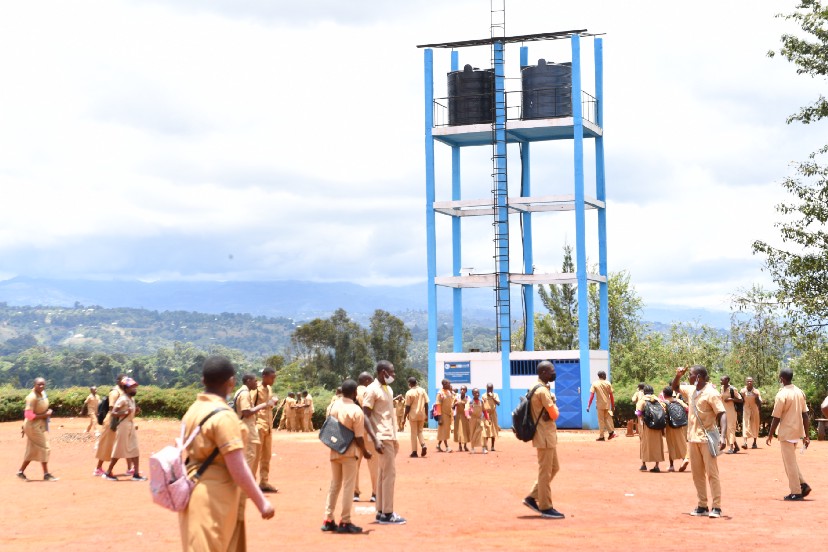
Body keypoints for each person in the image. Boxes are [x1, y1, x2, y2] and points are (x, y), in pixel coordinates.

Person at [179, 355, 274, 550]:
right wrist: (261, 502)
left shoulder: (193, 409)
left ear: (203, 381)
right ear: (231, 382)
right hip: (215, 497)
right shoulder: (224, 417)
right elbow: (237, 466)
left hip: (192, 488)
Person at [671, 365, 726, 518]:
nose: (688, 377)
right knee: (697, 474)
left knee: (712, 474)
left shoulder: (711, 393)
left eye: (690, 375)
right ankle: (702, 505)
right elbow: (674, 387)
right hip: (693, 438)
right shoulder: (691, 390)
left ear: (698, 377)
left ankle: (717, 507)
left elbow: (722, 413)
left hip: (706, 438)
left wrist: (723, 436)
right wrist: (678, 375)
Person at [321, 379, 373, 534]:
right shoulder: (356, 410)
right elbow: (358, 437)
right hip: (350, 452)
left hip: (334, 450)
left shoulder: (332, 406)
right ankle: (345, 521)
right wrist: (365, 451)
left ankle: (328, 519)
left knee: (334, 484)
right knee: (348, 486)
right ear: (355, 392)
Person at [362, 360, 406, 525]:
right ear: (383, 373)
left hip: (390, 436)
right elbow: (365, 415)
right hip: (382, 437)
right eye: (391, 372)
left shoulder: (387, 388)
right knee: (389, 475)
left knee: (382, 474)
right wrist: (374, 439)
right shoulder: (372, 390)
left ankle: (381, 511)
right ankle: (388, 513)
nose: (393, 375)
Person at [521, 361, 564, 519]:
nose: (554, 373)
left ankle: (532, 497)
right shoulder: (542, 392)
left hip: (545, 435)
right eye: (551, 371)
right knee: (545, 472)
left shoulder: (535, 387)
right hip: (544, 435)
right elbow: (554, 414)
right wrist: (554, 407)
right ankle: (546, 507)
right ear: (544, 373)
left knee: (554, 467)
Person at [766, 368, 812, 500]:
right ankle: (803, 485)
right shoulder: (799, 392)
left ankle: (796, 492)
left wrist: (770, 434)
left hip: (786, 432)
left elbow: (776, 417)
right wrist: (807, 435)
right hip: (797, 432)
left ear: (782, 379)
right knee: (791, 461)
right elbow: (805, 415)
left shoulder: (782, 394)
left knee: (789, 464)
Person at [103, 377, 146, 481]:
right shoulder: (122, 399)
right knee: (119, 449)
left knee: (135, 449)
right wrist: (125, 413)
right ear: (126, 389)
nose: (135, 389)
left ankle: (136, 474)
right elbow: (113, 413)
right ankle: (108, 472)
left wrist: (136, 411)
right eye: (132, 388)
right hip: (123, 427)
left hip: (130, 425)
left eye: (134, 387)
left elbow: (131, 412)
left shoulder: (132, 399)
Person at [17, 377, 57, 482]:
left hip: (38, 425)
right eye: (39, 384)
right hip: (32, 427)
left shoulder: (43, 394)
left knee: (32, 450)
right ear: (34, 385)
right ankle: (46, 474)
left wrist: (47, 412)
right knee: (45, 448)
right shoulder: (31, 397)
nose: (41, 386)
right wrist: (45, 415)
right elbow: (28, 415)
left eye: (43, 384)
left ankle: (20, 472)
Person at [234, 374, 269, 475]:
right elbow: (246, 412)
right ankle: (243, 487)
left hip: (245, 428)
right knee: (250, 456)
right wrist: (263, 405)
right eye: (255, 380)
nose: (257, 383)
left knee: (249, 456)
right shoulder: (245, 394)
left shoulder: (241, 391)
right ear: (248, 381)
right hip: (247, 429)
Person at [94, 374, 126, 477]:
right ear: (118, 381)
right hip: (111, 421)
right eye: (123, 380)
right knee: (106, 445)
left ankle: (131, 468)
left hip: (119, 421)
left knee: (120, 445)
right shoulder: (114, 392)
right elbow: (112, 409)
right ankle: (98, 468)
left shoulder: (123, 392)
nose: (125, 382)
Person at [354, 372, 378, 503]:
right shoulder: (370, 391)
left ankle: (355, 492)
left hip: (355, 433)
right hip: (369, 432)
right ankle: (375, 493)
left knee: (354, 464)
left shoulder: (352, 391)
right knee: (373, 463)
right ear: (368, 380)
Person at [254, 367, 278, 493]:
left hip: (268, 426)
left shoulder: (269, 389)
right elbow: (249, 407)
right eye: (271, 377)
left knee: (266, 456)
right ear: (264, 376)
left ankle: (264, 482)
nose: (273, 380)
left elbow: (269, 406)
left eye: (274, 377)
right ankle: (250, 484)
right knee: (255, 456)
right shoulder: (255, 389)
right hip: (258, 425)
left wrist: (273, 403)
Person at [635, 384, 665, 472]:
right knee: (658, 445)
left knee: (645, 444)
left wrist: (643, 421)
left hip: (647, 426)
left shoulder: (642, 400)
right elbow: (664, 410)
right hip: (658, 426)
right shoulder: (658, 400)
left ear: (644, 392)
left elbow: (638, 413)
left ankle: (644, 464)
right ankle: (657, 466)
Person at [662, 387, 688, 472]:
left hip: (670, 426)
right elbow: (687, 408)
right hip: (680, 425)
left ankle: (671, 466)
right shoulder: (678, 401)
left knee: (671, 445)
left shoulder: (664, 403)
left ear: (665, 394)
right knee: (681, 442)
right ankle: (684, 459)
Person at [586, 370, 616, 441]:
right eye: (605, 375)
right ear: (602, 375)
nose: (606, 376)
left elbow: (592, 396)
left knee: (601, 420)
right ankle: (611, 432)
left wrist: (588, 405)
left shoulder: (595, 383)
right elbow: (611, 395)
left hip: (600, 405)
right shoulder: (608, 383)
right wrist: (613, 405)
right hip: (607, 404)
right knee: (605, 419)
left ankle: (602, 436)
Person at [403, 377, 428, 458]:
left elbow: (407, 406)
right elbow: (426, 403)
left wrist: (404, 417)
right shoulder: (422, 390)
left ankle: (414, 452)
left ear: (410, 383)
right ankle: (423, 444)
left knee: (413, 433)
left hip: (413, 415)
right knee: (420, 431)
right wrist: (426, 414)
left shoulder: (409, 393)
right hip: (422, 414)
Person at [720, 375, 743, 454]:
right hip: (724, 411)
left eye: (722, 380)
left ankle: (731, 447)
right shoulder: (722, 388)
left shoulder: (733, 389)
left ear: (727, 380)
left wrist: (731, 399)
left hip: (732, 411)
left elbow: (740, 399)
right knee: (726, 429)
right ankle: (736, 446)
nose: (720, 381)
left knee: (731, 428)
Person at [740, 377, 762, 449]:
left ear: (753, 382)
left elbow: (759, 403)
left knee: (755, 424)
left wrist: (756, 397)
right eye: (748, 381)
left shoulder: (756, 391)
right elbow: (740, 402)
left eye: (751, 381)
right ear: (746, 382)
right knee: (745, 424)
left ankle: (754, 442)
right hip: (746, 410)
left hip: (754, 410)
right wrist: (742, 396)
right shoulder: (743, 391)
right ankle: (745, 442)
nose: (749, 382)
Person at [467, 388, 488, 454]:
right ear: (473, 394)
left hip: (480, 419)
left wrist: (487, 418)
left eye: (478, 392)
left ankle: (484, 448)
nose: (477, 394)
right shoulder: (470, 402)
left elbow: (484, 411)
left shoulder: (481, 402)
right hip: (472, 420)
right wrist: (468, 415)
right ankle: (472, 448)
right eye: (475, 393)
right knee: (473, 434)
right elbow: (466, 410)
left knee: (483, 433)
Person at [435, 379, 454, 453]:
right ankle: (447, 447)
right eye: (448, 384)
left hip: (448, 414)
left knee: (445, 431)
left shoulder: (449, 392)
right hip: (442, 415)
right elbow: (438, 405)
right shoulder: (440, 393)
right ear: (444, 384)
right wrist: (439, 418)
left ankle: (438, 445)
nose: (449, 385)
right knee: (444, 431)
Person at [482, 383, 500, 451]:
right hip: (486, 414)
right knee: (486, 430)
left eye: (491, 388)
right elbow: (482, 404)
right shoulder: (483, 395)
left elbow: (498, 403)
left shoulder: (495, 395)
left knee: (493, 430)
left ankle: (492, 446)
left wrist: (492, 397)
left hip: (493, 414)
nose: (489, 390)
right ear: (486, 388)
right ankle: (485, 446)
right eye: (488, 388)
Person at [453, 385, 470, 452]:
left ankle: (465, 445)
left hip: (465, 416)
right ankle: (460, 446)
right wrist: (455, 404)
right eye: (461, 389)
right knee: (459, 431)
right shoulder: (456, 397)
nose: (462, 390)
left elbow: (469, 406)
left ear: (466, 391)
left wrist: (462, 403)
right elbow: (452, 407)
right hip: (458, 416)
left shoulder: (468, 398)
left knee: (465, 431)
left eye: (464, 389)